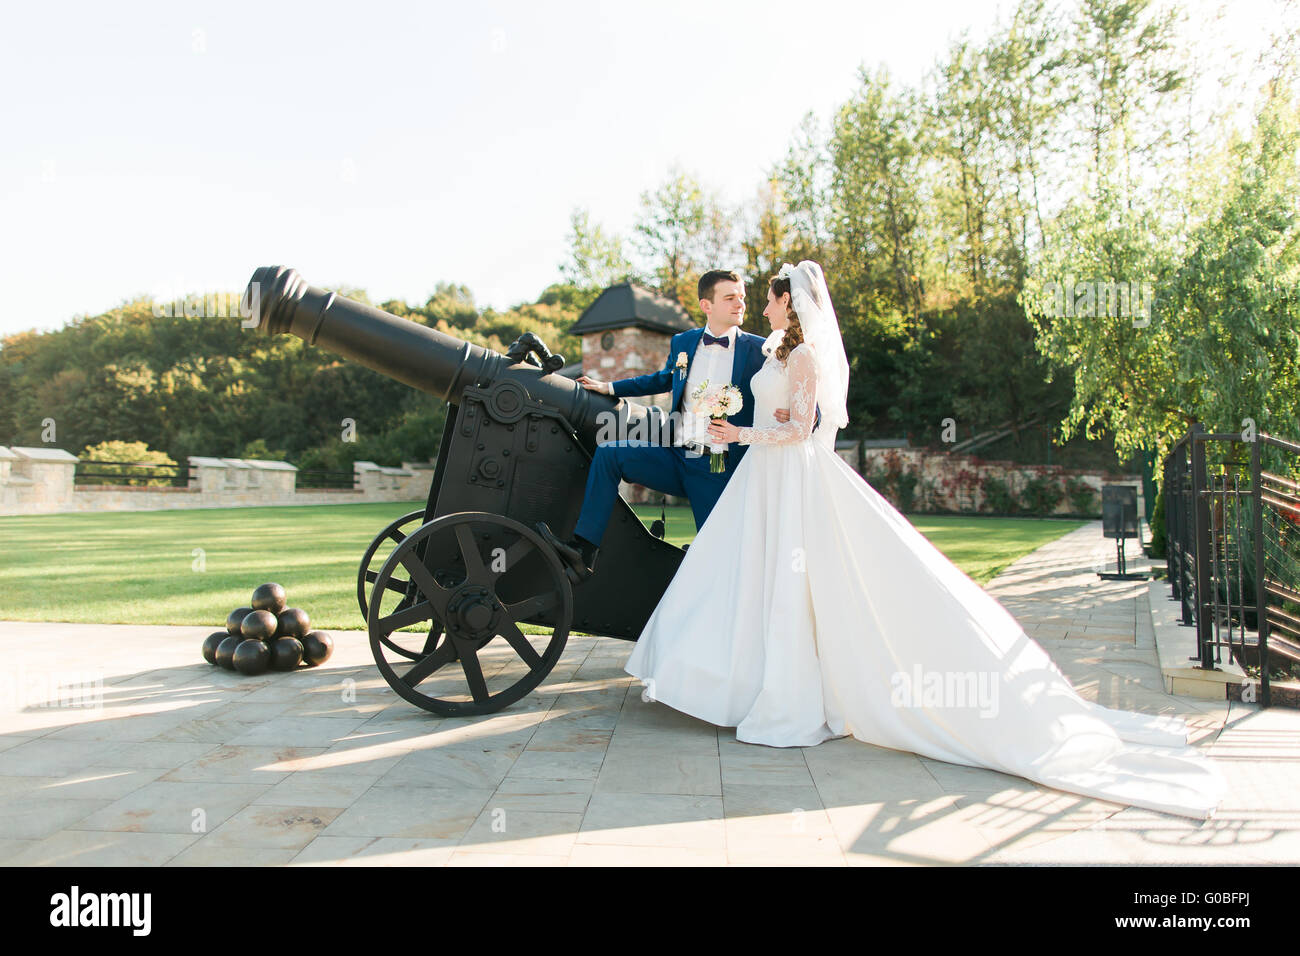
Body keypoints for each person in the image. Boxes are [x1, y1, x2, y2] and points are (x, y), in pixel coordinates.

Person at [624, 260, 1225, 820]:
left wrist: (738, 431)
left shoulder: (804, 357)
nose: (763, 307)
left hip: (790, 478)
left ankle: (794, 693)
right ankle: (728, 680)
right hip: (763, 481)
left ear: (792, 305)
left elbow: (800, 429)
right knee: (743, 573)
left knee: (794, 580)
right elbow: (771, 417)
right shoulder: (776, 350)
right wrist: (732, 425)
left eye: (772, 298)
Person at [538, 270, 782, 582]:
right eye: (730, 297)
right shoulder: (684, 341)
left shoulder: (760, 350)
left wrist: (789, 415)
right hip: (674, 455)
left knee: (720, 553)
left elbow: (792, 394)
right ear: (707, 305)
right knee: (610, 454)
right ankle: (584, 551)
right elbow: (662, 379)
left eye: (743, 298)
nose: (740, 304)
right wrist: (610, 388)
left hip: (717, 468)